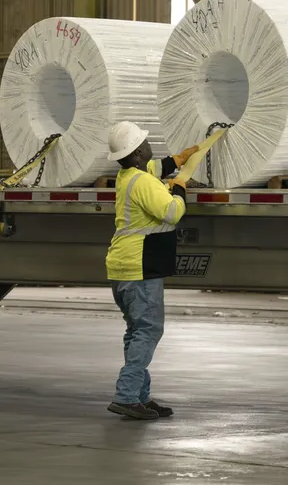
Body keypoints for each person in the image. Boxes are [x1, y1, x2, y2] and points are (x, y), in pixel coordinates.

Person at [103, 120, 200, 420]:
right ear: (135, 154)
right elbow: (172, 213)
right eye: (143, 144)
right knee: (148, 330)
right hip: (140, 268)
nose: (148, 147)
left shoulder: (127, 176)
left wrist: (177, 161)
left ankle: (139, 396)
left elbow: (153, 169)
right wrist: (180, 189)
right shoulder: (143, 183)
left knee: (137, 331)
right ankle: (126, 396)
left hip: (122, 268)